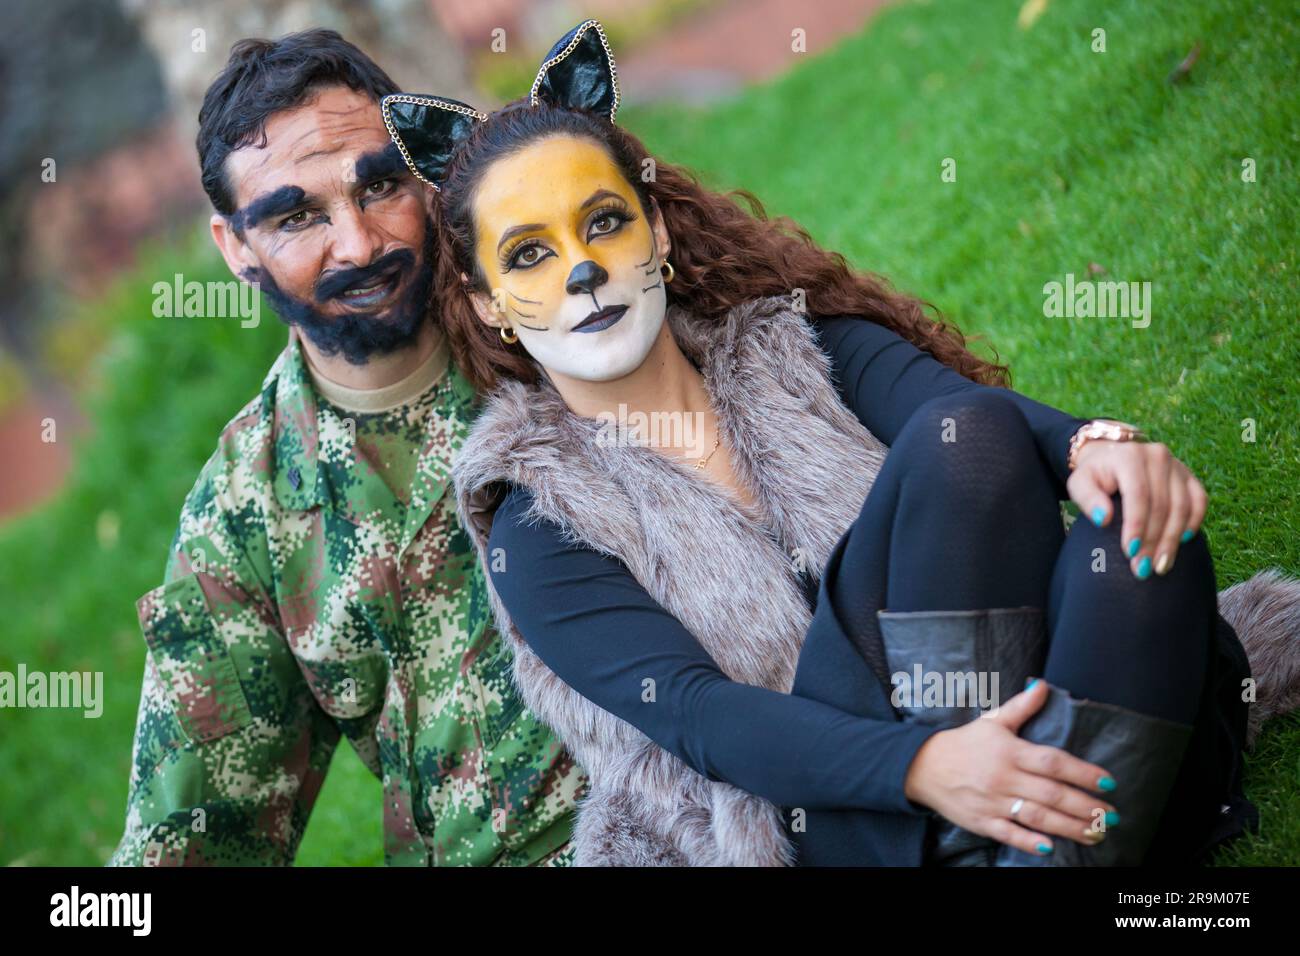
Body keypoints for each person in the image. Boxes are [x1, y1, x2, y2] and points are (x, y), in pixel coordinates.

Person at [385, 20, 1298, 866]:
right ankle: (1083, 819)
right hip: (825, 809)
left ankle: (1028, 841)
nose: (583, 268)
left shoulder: (792, 343)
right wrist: (927, 764)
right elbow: (704, 717)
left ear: (655, 231)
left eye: (604, 222)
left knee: (1135, 536)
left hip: (998, 702)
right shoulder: (538, 525)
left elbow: (961, 414)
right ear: (486, 303)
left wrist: (1098, 444)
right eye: (530, 254)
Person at [109, 30, 585, 867]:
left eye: (380, 187)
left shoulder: (569, 316)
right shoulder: (243, 520)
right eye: (296, 218)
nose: (358, 244)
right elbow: (187, 843)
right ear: (236, 250)